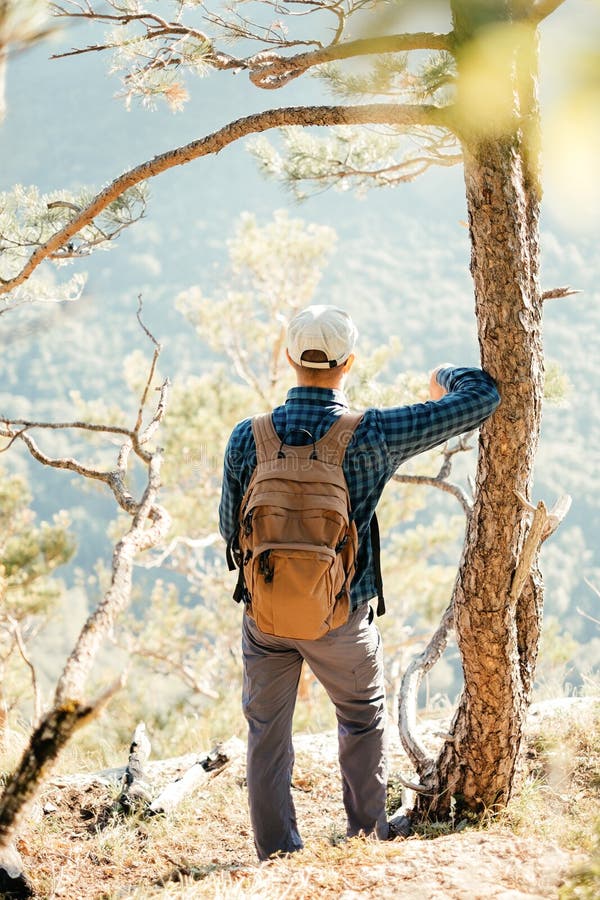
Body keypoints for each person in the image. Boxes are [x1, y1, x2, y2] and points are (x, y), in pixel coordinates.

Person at [219, 305, 500, 860]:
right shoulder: (373, 433)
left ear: (288, 358)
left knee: (267, 732)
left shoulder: (247, 436)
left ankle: (276, 852)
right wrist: (443, 373)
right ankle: (366, 838)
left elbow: (230, 529)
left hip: (266, 615)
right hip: (342, 614)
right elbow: (481, 397)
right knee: (362, 717)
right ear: (349, 362)